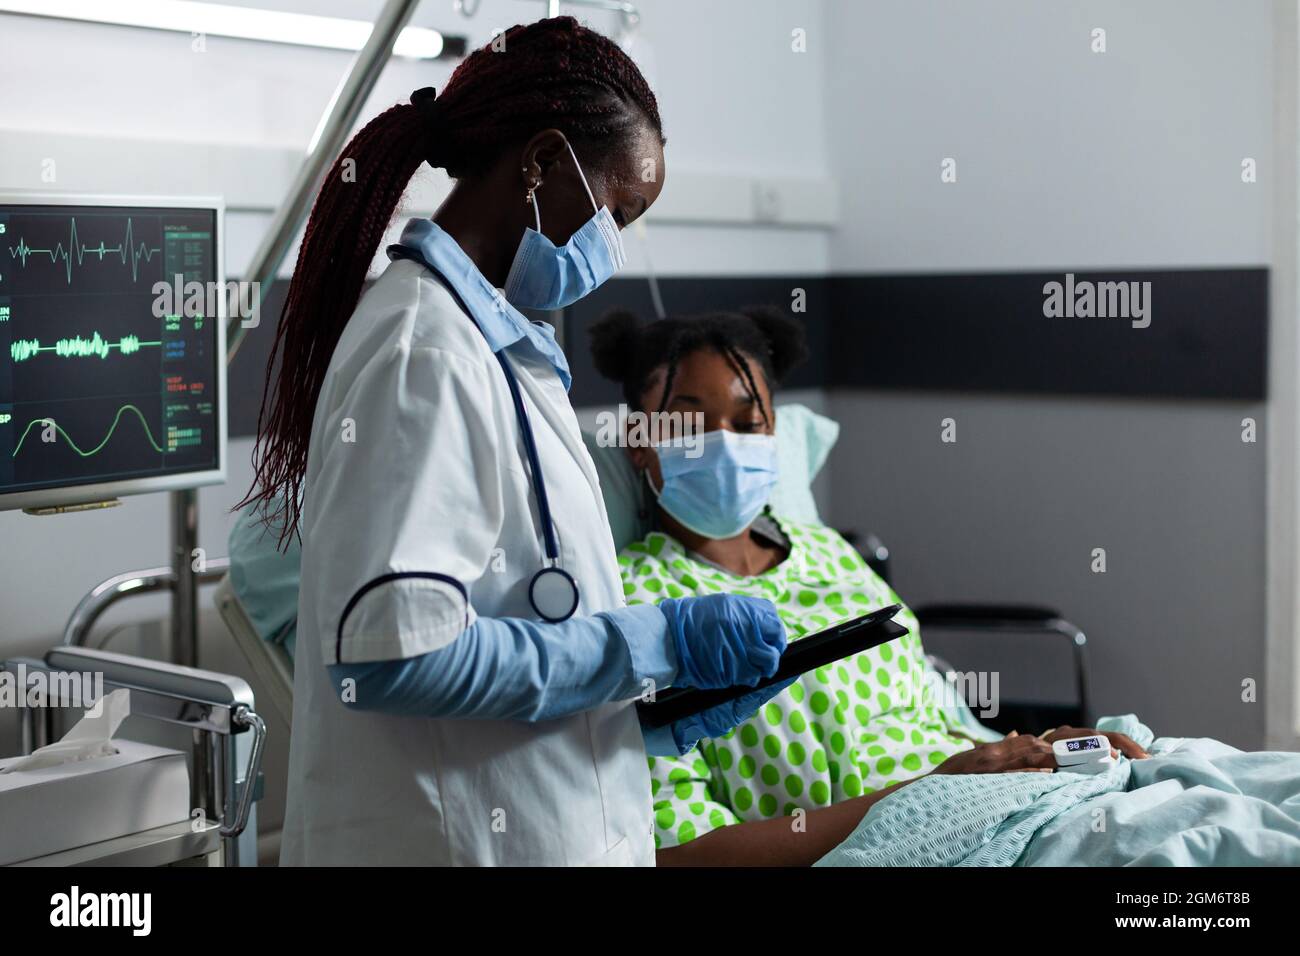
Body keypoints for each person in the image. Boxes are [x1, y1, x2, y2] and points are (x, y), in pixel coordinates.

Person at [236, 17, 789, 867]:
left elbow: (522, 633)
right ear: (539, 163)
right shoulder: (422, 351)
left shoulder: (500, 346)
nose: (614, 243)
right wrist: (653, 643)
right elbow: (392, 659)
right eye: (618, 210)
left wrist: (652, 708)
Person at [588, 306, 1148, 865]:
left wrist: (1037, 751)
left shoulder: (829, 552)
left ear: (773, 433)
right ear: (640, 442)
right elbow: (681, 857)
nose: (726, 444)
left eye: (748, 422)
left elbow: (937, 723)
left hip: (1008, 801)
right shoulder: (636, 610)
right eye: (692, 424)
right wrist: (932, 790)